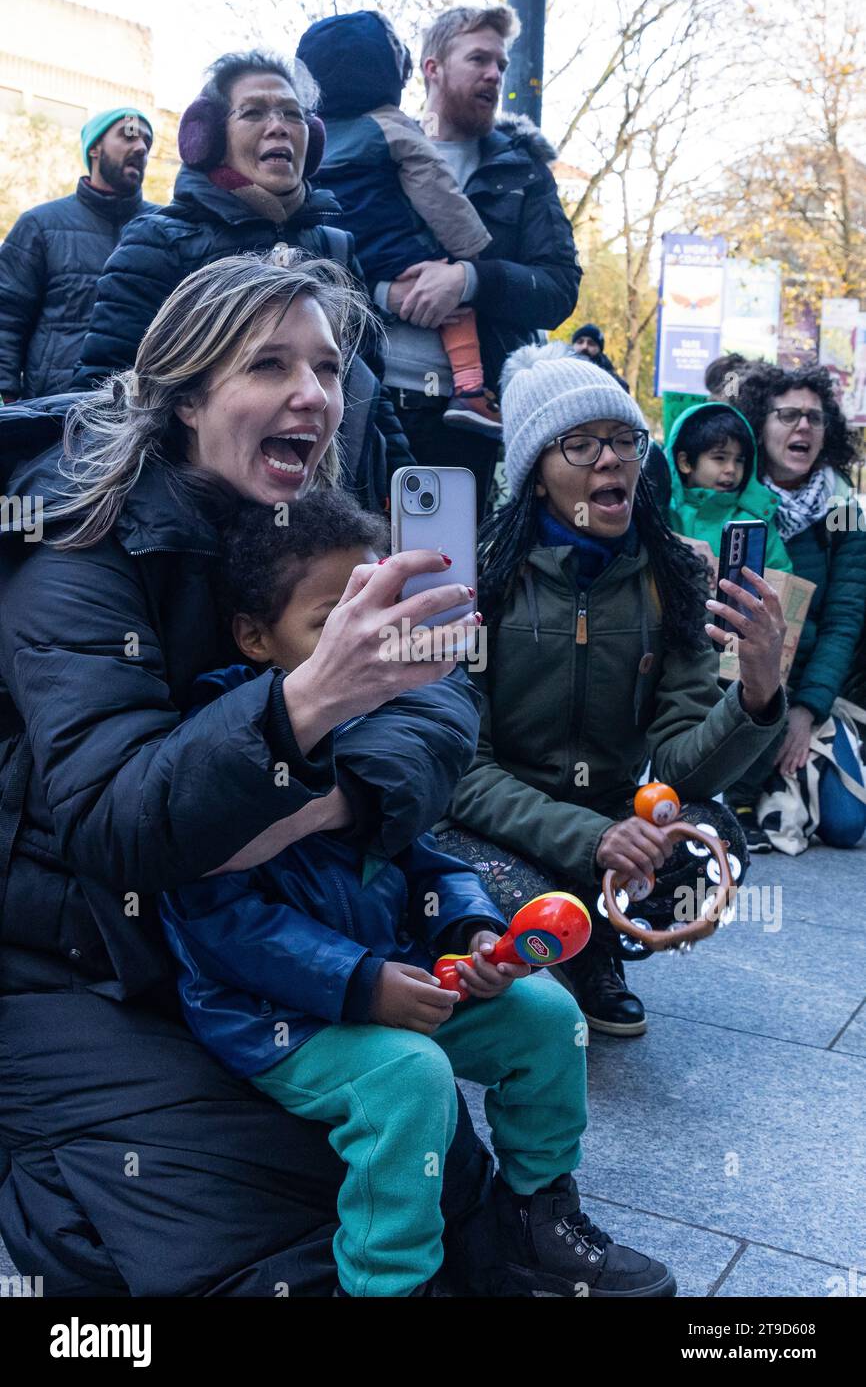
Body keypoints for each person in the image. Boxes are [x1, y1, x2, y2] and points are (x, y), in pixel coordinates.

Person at [0, 254, 500, 1298]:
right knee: (239, 1231)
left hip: (246, 921)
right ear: (187, 398)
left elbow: (443, 705)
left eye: (325, 367)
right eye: (267, 365)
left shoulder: (313, 527)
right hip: (75, 947)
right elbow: (114, 822)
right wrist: (304, 707)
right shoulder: (75, 543)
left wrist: (339, 794)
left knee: (446, 1189)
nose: (312, 395)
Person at [159, 490, 676, 1299]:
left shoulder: (382, 715)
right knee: (409, 1078)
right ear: (256, 637)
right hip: (270, 1011)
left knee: (548, 1019)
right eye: (334, 618)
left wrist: (468, 929)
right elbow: (220, 916)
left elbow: (419, 855)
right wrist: (358, 982)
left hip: (395, 970)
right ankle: (391, 1283)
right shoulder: (223, 737)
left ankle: (536, 1215)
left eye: (380, 611)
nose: (366, 637)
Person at [443, 346, 788, 1036]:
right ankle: (546, 941)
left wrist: (755, 693)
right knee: (464, 859)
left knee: (711, 846)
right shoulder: (473, 579)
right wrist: (591, 838)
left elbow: (685, 767)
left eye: (625, 439)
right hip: (499, 826)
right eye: (580, 444)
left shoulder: (674, 577)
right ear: (536, 474)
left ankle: (588, 940)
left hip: (621, 823)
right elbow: (460, 771)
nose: (611, 459)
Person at [72, 50, 410, 511]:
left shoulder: (338, 249)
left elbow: (366, 384)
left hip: (326, 519)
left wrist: (398, 483)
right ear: (206, 136)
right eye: (253, 112)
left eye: (293, 114)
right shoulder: (156, 240)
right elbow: (106, 391)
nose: (279, 126)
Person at [335, 4, 581, 520]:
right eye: (479, 59)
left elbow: (558, 290)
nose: (495, 74)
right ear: (432, 68)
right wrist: (385, 296)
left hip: (470, 420)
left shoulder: (524, 170)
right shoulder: (364, 148)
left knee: (448, 577)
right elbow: (317, 261)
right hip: (360, 402)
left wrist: (468, 279)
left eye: (501, 63)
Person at [298, 11, 501, 438]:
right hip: (390, 244)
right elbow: (436, 188)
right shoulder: (390, 125)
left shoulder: (306, 132)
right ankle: (469, 390)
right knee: (453, 302)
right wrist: (472, 251)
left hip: (330, 249)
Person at [723, 364, 866, 852]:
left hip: (808, 690)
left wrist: (806, 711)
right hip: (730, 682)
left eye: (815, 417)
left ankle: (769, 778)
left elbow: (844, 622)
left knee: (847, 825)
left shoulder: (844, 511)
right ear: (760, 426)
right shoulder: (730, 493)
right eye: (787, 415)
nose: (803, 426)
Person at [0, 107, 154, 402]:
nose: (140, 147)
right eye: (128, 136)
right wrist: (7, 399)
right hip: (52, 414)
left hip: (143, 413)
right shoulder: (40, 224)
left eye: (147, 142)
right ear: (94, 148)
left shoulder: (164, 229)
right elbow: (6, 316)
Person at [665, 400, 791, 571]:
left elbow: (780, 573)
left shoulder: (755, 522)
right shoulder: (664, 511)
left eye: (739, 460)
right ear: (685, 462)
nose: (731, 469)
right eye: (719, 458)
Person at [571, 323, 629, 393]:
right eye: (580, 342)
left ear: (599, 349)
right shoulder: (562, 369)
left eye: (591, 343)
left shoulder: (613, 382)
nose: (585, 347)